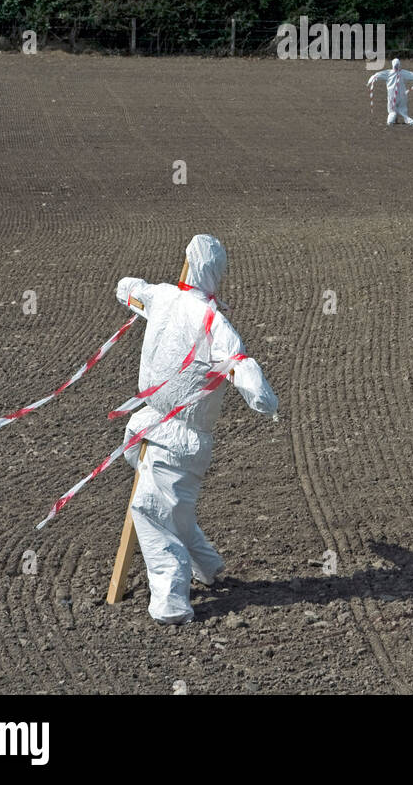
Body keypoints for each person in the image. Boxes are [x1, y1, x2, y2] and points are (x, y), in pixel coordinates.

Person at [116, 234, 277, 624]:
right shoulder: (188, 309)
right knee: (167, 505)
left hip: (181, 436)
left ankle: (171, 601)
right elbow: (240, 366)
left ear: (188, 262)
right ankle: (206, 563)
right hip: (152, 422)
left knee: (151, 507)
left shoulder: (182, 307)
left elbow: (128, 289)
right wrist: (262, 396)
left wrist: (259, 395)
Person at [367, 56, 413, 126]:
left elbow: (378, 74)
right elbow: (411, 75)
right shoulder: (395, 73)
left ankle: (392, 121)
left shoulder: (392, 73)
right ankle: (403, 120)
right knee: (398, 108)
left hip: (396, 95)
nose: (396, 67)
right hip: (398, 95)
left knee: (395, 108)